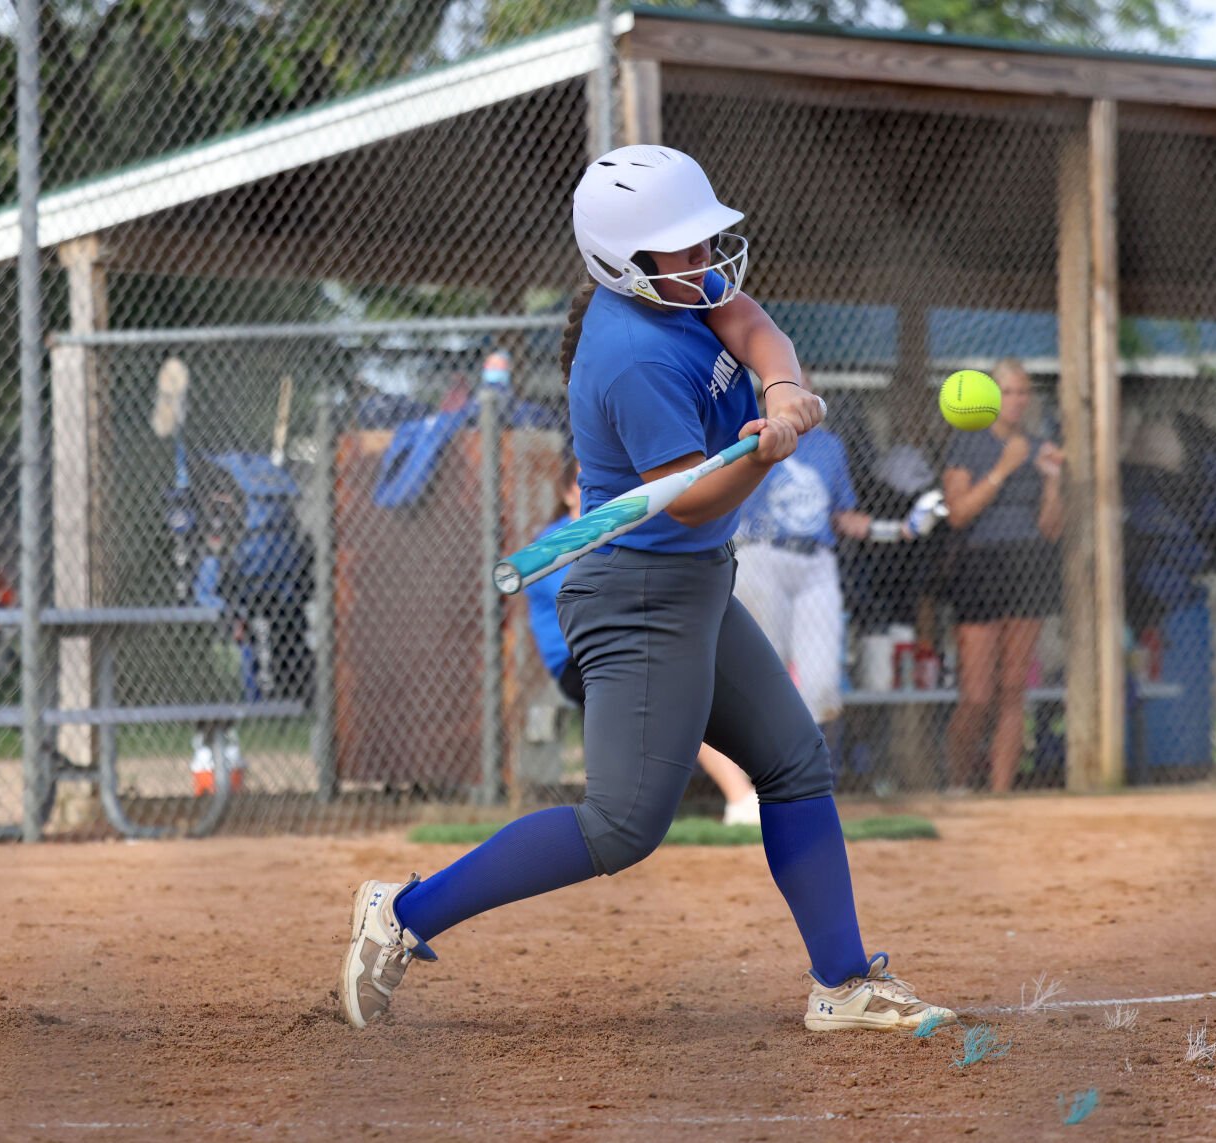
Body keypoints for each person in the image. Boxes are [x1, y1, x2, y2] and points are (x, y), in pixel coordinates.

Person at [341, 144, 954, 1035]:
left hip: (695, 579)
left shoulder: (685, 291)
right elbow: (697, 494)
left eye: (707, 240)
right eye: (685, 247)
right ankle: (400, 914)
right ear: (624, 264)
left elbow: (751, 323)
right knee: (623, 824)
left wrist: (781, 391)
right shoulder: (629, 355)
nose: (706, 259)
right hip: (638, 595)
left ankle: (843, 981)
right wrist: (760, 454)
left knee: (791, 761)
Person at [527, 458, 763, 826]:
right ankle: (740, 798)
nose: (592, 491)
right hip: (580, 659)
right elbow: (595, 603)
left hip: (628, 645)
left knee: (683, 692)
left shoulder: (618, 532)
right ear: (566, 492)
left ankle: (737, 797)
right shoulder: (557, 541)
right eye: (581, 483)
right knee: (673, 698)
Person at [730, 424, 942, 737]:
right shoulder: (747, 435)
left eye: (801, 377)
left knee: (822, 681)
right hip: (761, 555)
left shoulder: (830, 445)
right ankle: (752, 779)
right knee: (763, 673)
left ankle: (803, 773)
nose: (798, 385)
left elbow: (842, 516)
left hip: (816, 560)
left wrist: (901, 529)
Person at [939, 359, 1064, 793]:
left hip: (1027, 563)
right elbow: (957, 514)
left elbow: (1051, 528)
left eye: (1023, 392)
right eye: (1007, 392)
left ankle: (1001, 793)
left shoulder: (1038, 445)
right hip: (980, 564)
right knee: (977, 694)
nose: (1016, 401)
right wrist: (1005, 469)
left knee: (1013, 688)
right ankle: (958, 782)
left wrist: (1051, 482)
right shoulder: (969, 443)